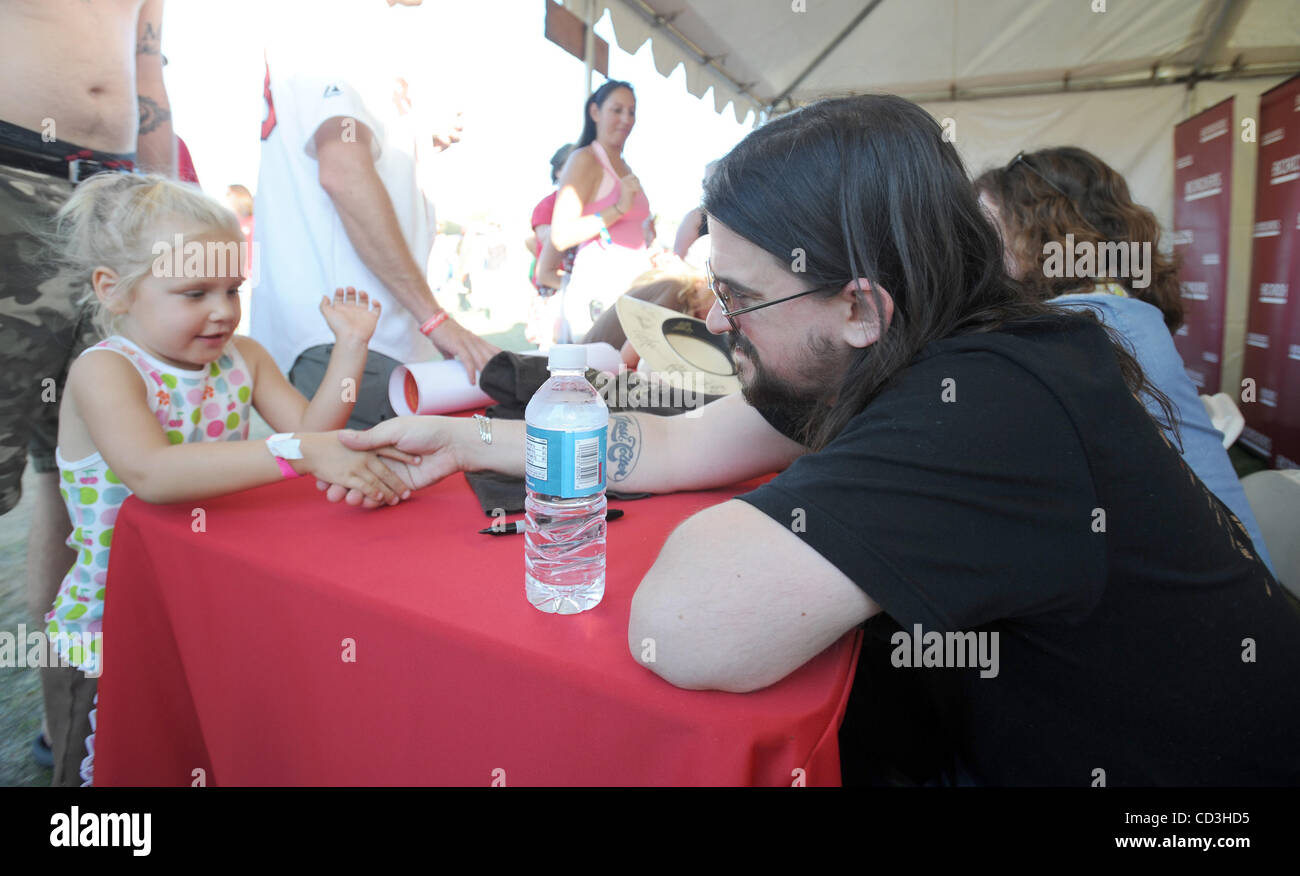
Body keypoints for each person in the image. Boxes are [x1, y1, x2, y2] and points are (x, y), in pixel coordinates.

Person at [321, 94, 1300, 786]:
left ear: (861, 305)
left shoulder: (985, 403)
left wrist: (794, 499)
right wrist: (469, 447)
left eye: (740, 299)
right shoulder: (932, 344)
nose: (718, 323)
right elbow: (668, 451)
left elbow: (686, 628)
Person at [41, 173, 417, 786]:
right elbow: (152, 473)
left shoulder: (243, 356)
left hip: (202, 593)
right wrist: (300, 450)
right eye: (194, 293)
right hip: (115, 618)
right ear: (115, 291)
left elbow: (311, 428)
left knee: (190, 745)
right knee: (112, 764)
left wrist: (350, 348)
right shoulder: (104, 372)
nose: (221, 311)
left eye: (232, 290)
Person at [0, 0, 176, 769]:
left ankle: (63, 736)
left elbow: (147, 65)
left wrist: (166, 210)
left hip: (115, 203)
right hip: (9, 180)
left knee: (79, 482)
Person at [974, 147, 1274, 572]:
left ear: (1040, 228)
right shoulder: (1119, 306)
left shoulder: (1088, 324)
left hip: (1210, 598)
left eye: (990, 226)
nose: (979, 246)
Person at [252, 0, 499, 432]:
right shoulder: (336, 20)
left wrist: (419, 133)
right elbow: (343, 172)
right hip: (344, 336)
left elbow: (349, 152)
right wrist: (436, 318)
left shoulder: (360, 28)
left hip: (364, 336)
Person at [547, 80, 653, 341]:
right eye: (617, 110)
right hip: (597, 298)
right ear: (595, 113)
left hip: (633, 297)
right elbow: (561, 235)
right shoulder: (585, 159)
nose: (626, 119)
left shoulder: (627, 167)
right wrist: (618, 209)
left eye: (631, 111)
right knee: (601, 380)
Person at [581, 264, 714, 369]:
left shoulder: (675, 289)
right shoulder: (676, 292)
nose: (719, 319)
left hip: (593, 364)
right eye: (722, 300)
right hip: (587, 367)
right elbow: (629, 358)